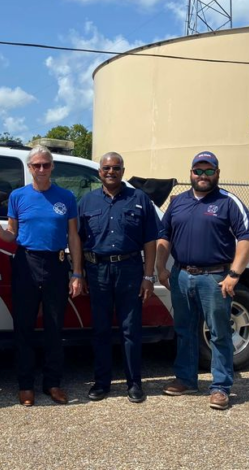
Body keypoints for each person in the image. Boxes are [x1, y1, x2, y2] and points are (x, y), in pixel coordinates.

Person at [156, 151, 249, 410]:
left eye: (208, 171)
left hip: (214, 277)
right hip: (181, 276)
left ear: (217, 173)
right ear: (190, 173)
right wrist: (161, 268)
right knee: (184, 330)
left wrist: (234, 275)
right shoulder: (177, 202)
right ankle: (186, 379)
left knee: (219, 332)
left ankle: (221, 387)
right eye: (197, 171)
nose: (202, 176)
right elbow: (164, 235)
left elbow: (247, 237)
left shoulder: (228, 201)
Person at [0, 146, 84, 407]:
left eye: (46, 164)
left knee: (55, 328)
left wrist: (77, 272)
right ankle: (25, 385)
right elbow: (12, 235)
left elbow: (73, 237)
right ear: (29, 168)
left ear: (52, 167)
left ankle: (53, 383)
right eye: (36, 165)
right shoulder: (17, 197)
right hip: (26, 263)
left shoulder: (66, 197)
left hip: (56, 263)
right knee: (24, 328)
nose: (41, 169)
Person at [77, 152, 160, 404]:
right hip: (97, 271)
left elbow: (150, 240)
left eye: (115, 168)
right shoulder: (87, 201)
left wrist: (148, 275)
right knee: (100, 330)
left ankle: (134, 384)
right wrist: (79, 273)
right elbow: (77, 241)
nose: (110, 172)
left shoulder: (139, 199)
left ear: (123, 171)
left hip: (130, 270)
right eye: (106, 168)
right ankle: (101, 383)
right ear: (99, 172)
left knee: (130, 330)